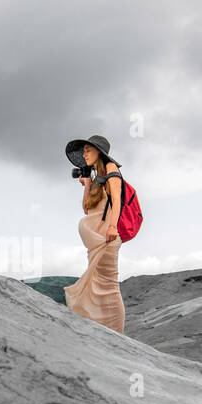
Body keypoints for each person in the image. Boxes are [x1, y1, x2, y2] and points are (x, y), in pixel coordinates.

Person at [62, 134, 125, 333]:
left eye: (88, 150)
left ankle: (117, 330)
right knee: (98, 284)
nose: (84, 154)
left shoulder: (111, 169)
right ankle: (102, 328)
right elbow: (87, 209)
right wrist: (88, 185)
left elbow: (117, 201)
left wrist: (113, 227)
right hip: (97, 238)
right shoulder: (97, 177)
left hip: (108, 236)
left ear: (100, 152)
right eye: (84, 151)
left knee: (108, 285)